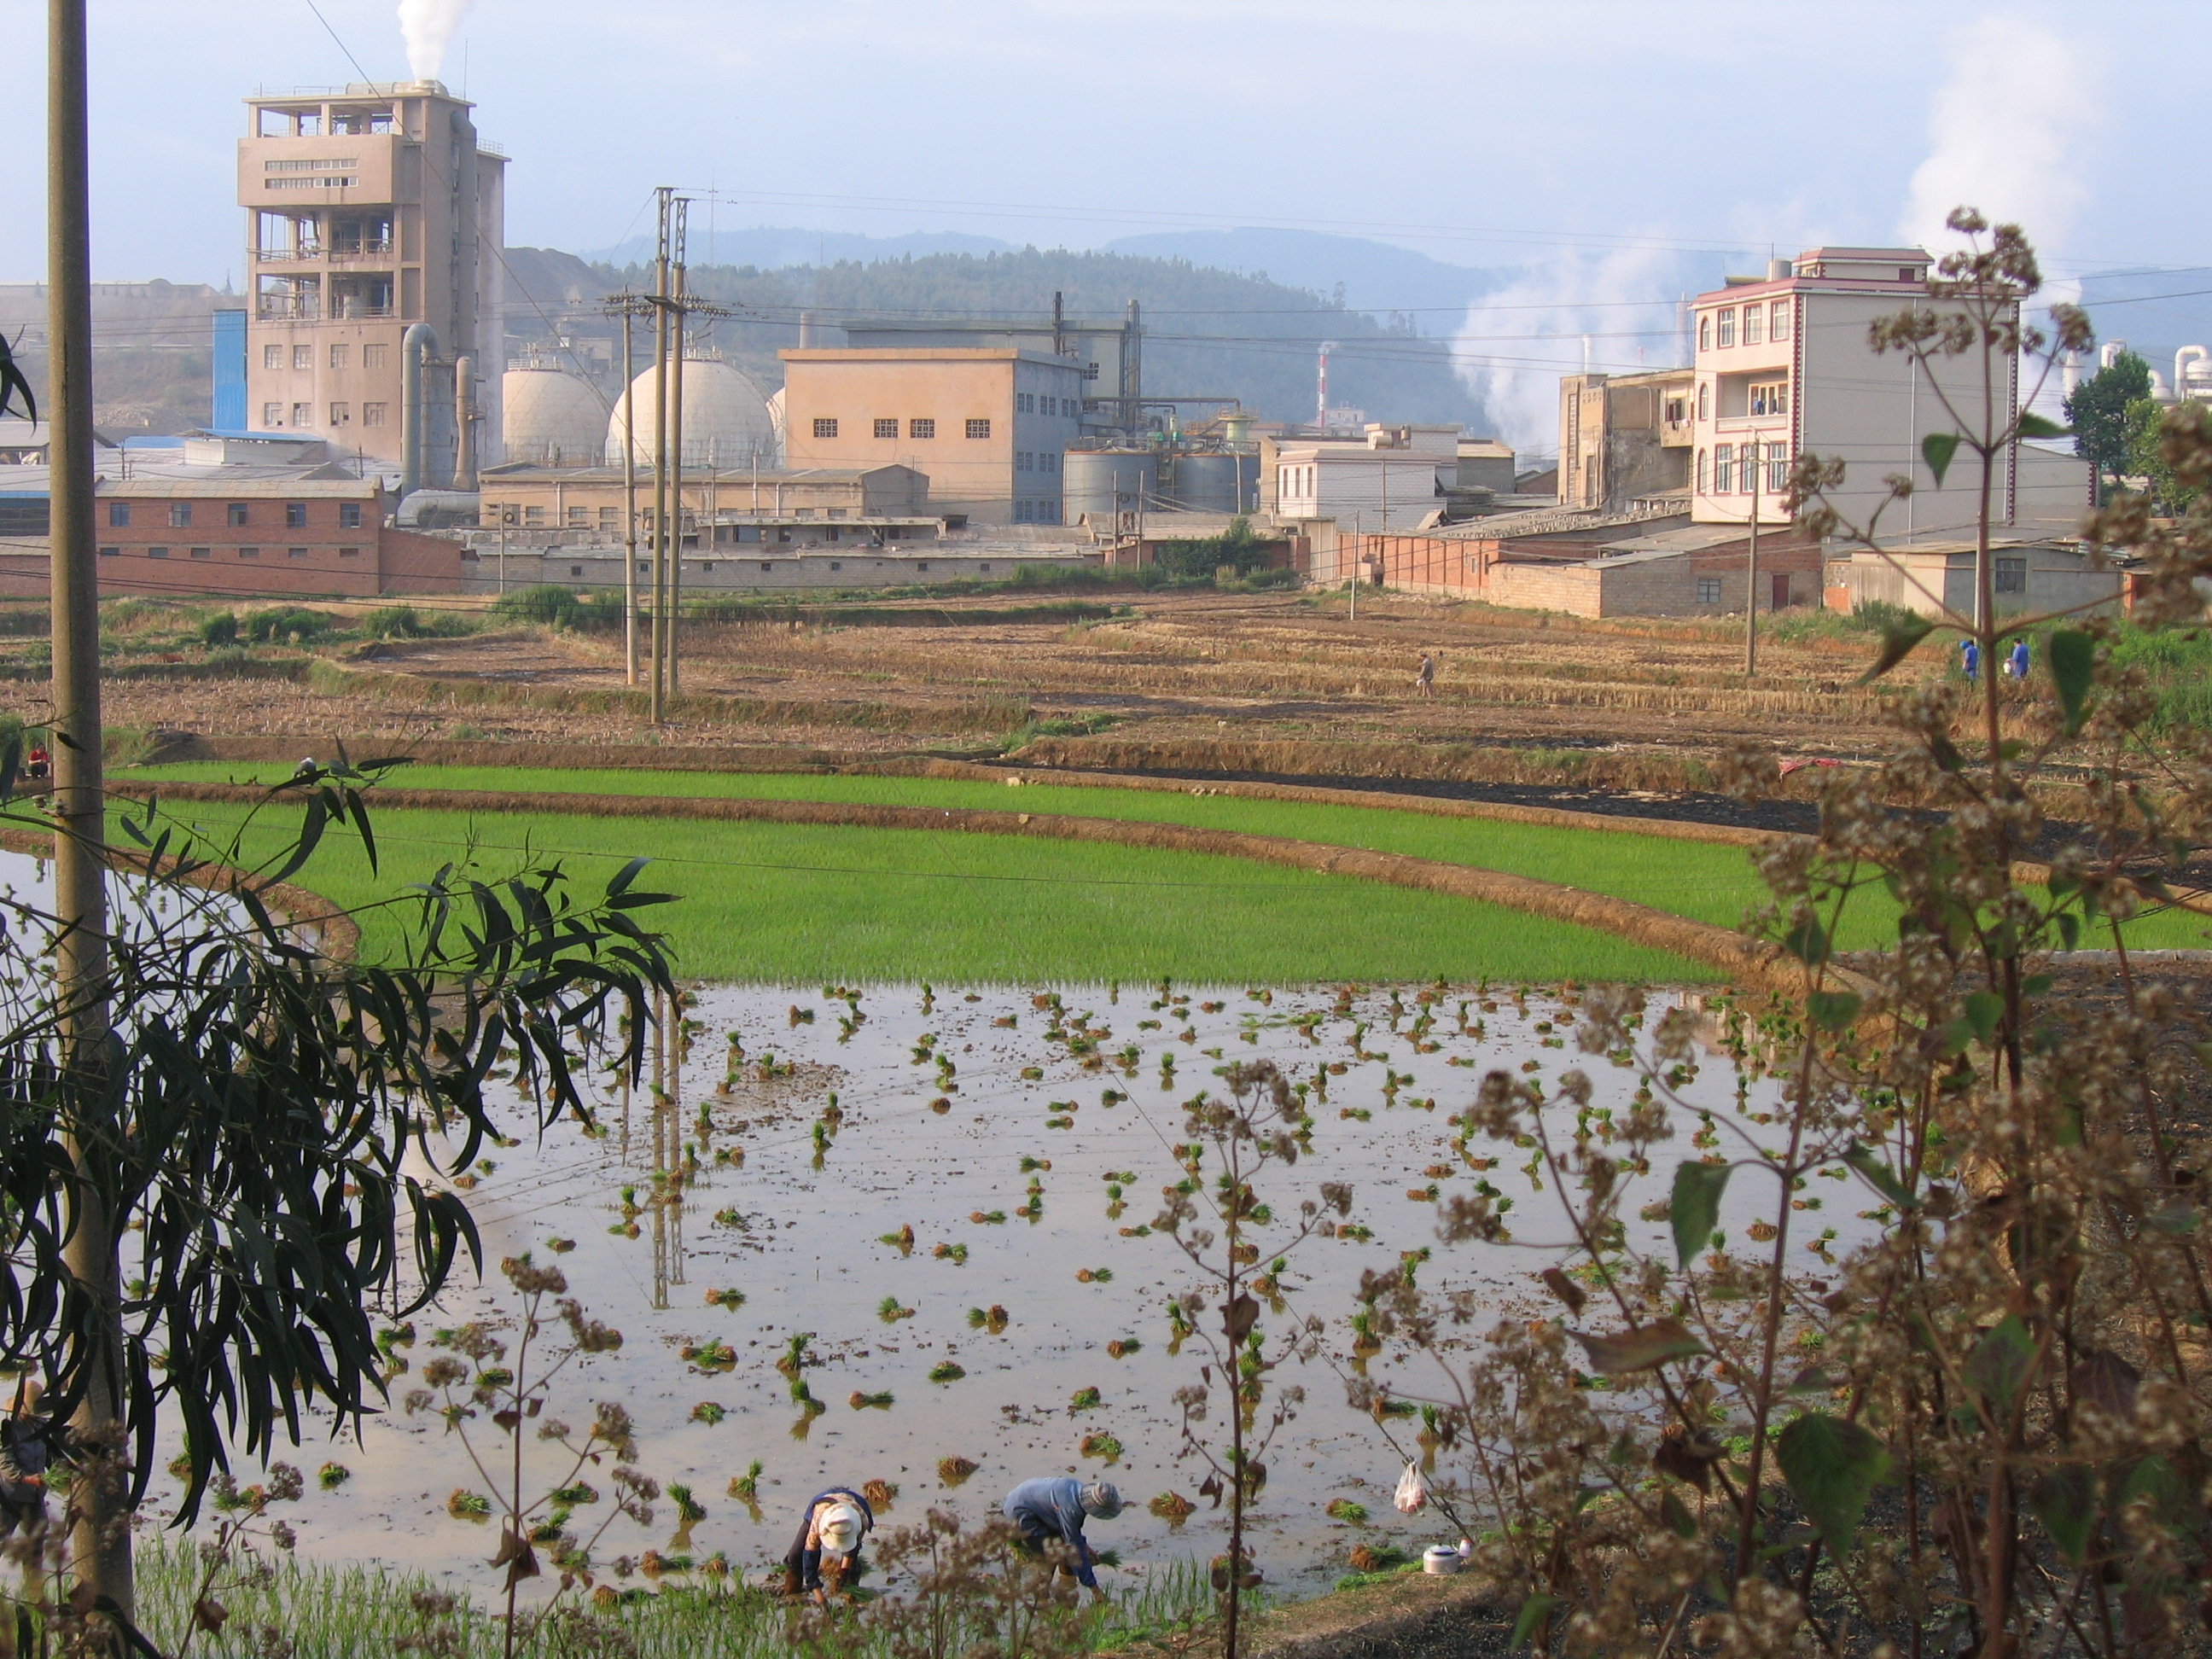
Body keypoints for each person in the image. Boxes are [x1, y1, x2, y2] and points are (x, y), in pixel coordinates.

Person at [1002, 1476, 1121, 1603]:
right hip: (1020, 1511)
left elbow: (1070, 1532)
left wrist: (1085, 1546)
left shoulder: (1077, 1490)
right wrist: (1095, 1589)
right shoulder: (1071, 1509)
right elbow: (1075, 1549)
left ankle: (1066, 1581)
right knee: (1051, 1555)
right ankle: (1041, 1596)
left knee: (1063, 1548)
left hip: (1036, 1505)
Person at [783, 1486, 874, 1604]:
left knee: (851, 1568)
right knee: (794, 1556)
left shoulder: (861, 1520)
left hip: (854, 1504)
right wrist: (816, 1591)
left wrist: (843, 1571)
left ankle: (851, 1600)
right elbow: (810, 1552)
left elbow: (852, 1549)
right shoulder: (819, 1516)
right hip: (824, 1504)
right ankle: (792, 1595)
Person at [0, 1378, 50, 1539]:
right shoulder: (8, 1428)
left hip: (35, 1495)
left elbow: (50, 1455)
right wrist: (27, 1478)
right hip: (10, 1496)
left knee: (37, 1542)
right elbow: (5, 1463)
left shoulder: (41, 1425)